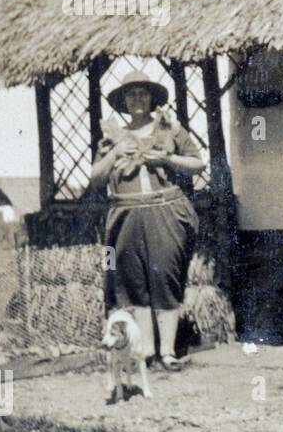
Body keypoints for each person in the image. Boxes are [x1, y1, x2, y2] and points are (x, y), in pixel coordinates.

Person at [89, 70, 207, 371]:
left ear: (152, 98)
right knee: (133, 283)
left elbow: (197, 163)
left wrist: (166, 159)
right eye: (131, 94)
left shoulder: (170, 129)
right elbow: (95, 177)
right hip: (126, 214)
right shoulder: (112, 138)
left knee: (165, 276)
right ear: (124, 102)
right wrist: (115, 152)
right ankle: (148, 353)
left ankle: (168, 352)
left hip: (164, 210)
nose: (138, 98)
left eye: (143, 92)